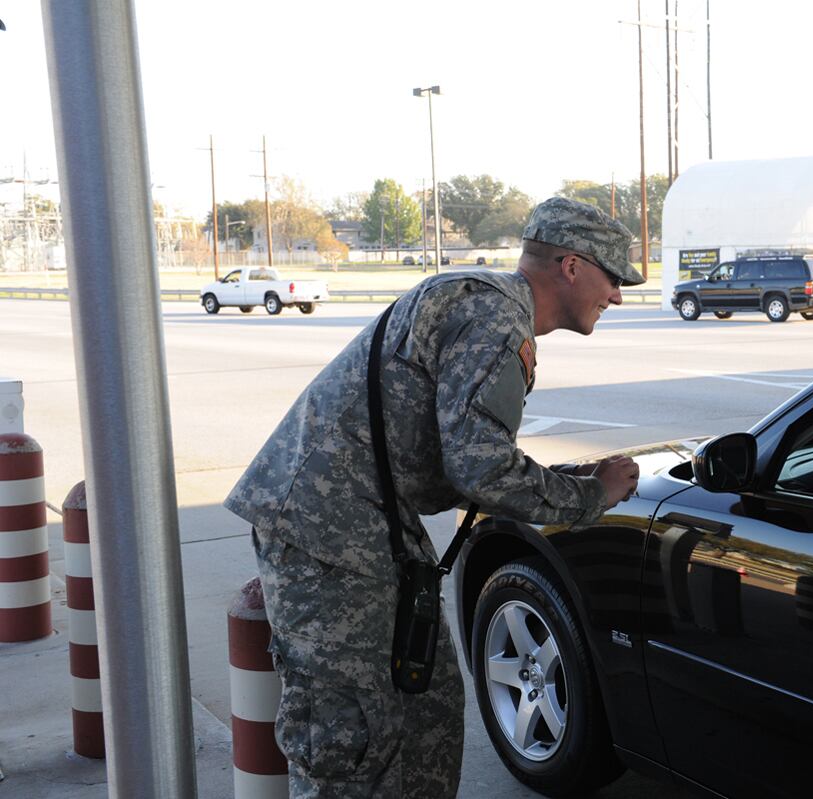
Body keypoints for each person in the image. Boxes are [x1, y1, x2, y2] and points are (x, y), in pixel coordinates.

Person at [223, 197, 644, 798]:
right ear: (572, 266)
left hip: (368, 527)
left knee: (425, 715)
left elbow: (461, 453)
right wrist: (590, 495)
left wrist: (563, 477)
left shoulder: (482, 303)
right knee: (352, 740)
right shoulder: (495, 317)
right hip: (327, 534)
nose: (618, 296)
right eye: (613, 277)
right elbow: (481, 470)